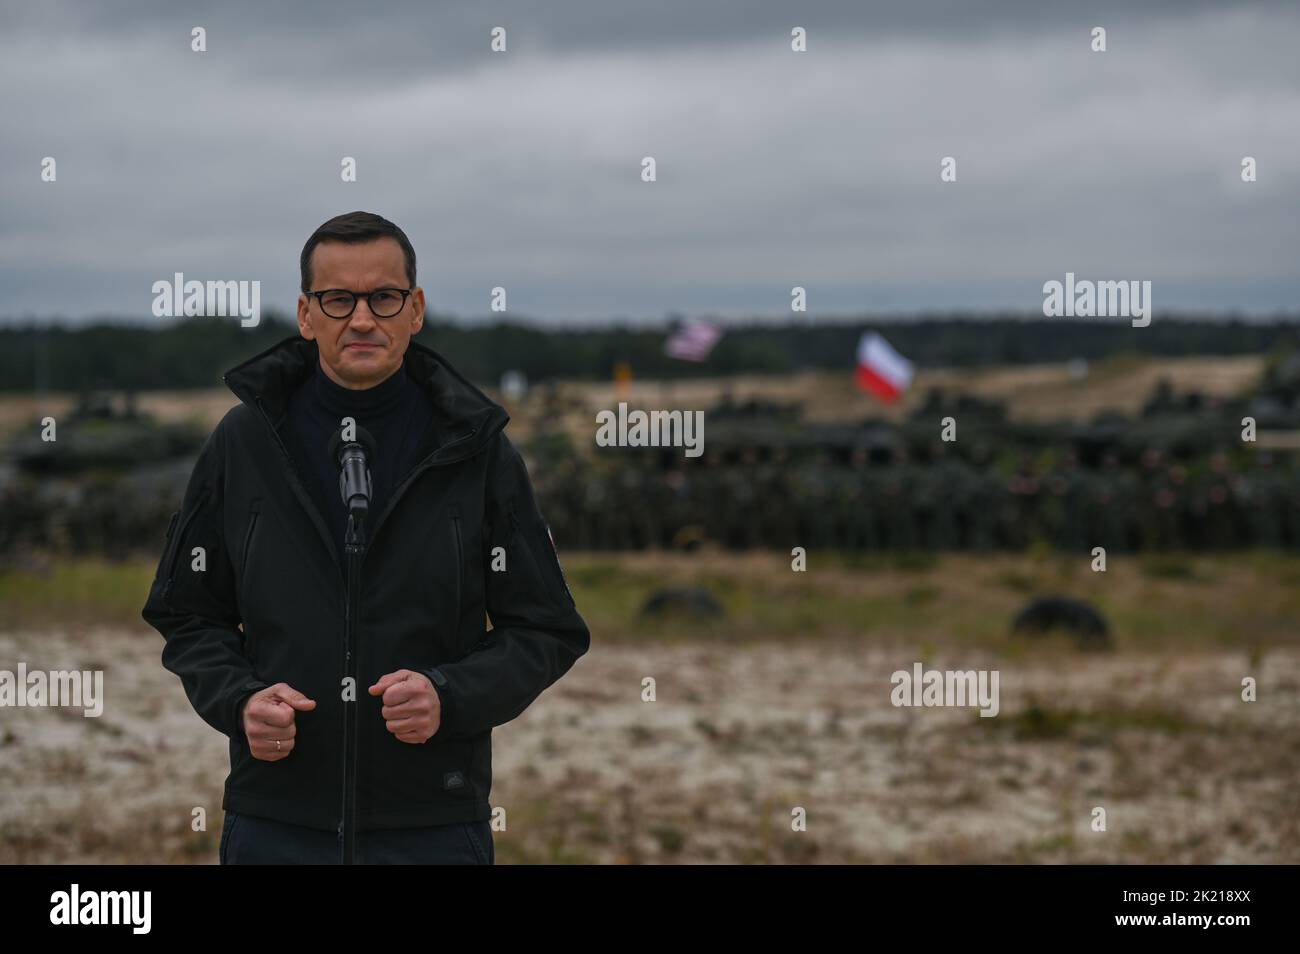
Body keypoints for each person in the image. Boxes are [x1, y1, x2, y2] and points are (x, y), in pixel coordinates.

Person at [141, 211, 591, 864]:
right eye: (337, 299)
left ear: (416, 309)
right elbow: (186, 612)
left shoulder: (477, 452)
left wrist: (451, 695)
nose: (360, 319)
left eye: (383, 297)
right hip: (275, 824)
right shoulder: (242, 445)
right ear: (305, 313)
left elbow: (548, 629)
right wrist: (238, 701)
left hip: (433, 828)